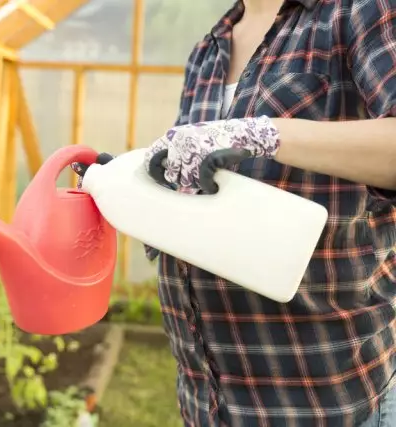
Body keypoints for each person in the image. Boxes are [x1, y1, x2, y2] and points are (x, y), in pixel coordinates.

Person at [73, 0, 396, 425]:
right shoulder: (208, 49)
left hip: (322, 398)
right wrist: (145, 192)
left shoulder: (355, 11)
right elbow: (208, 183)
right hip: (206, 397)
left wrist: (263, 133)